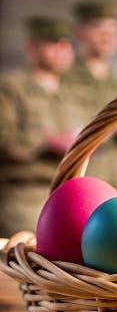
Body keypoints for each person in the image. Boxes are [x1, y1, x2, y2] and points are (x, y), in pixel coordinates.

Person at [0, 17, 83, 237]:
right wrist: (45, 144)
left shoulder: (70, 94)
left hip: (64, 196)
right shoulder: (11, 88)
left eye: (67, 45)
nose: (62, 51)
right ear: (31, 47)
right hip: (22, 195)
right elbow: (5, 140)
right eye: (53, 44)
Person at [65, 0, 117, 191]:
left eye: (113, 30)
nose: (107, 36)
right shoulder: (64, 79)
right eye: (98, 28)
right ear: (80, 33)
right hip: (82, 183)